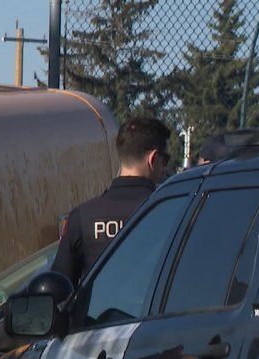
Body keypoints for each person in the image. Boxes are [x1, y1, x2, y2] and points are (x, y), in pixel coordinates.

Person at [52, 116, 172, 287]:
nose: (164, 167)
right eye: (165, 160)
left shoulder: (82, 216)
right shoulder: (170, 211)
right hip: (160, 312)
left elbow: (59, 286)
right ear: (152, 159)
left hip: (96, 314)